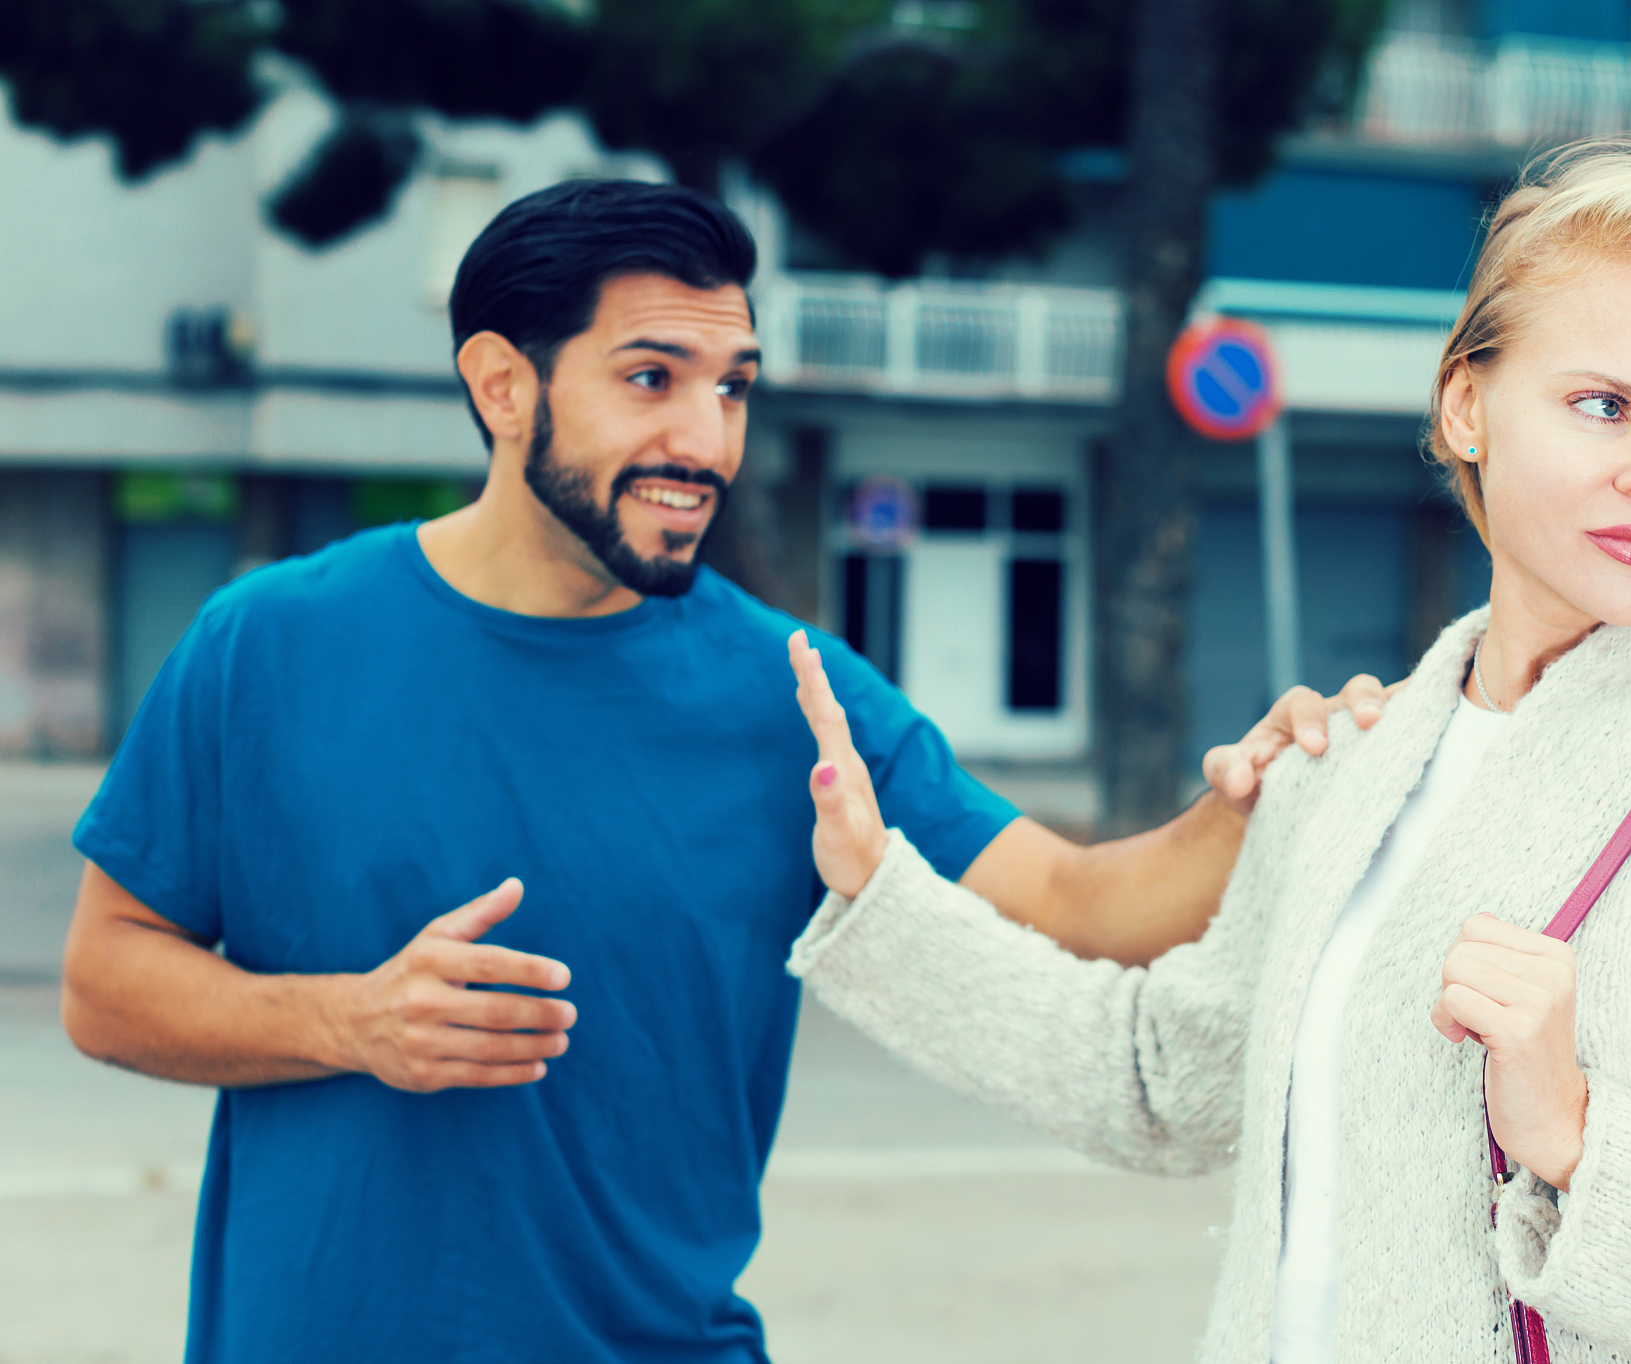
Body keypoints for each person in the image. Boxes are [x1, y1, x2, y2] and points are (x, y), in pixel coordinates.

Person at [58, 178, 1388, 1363]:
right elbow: (106, 983)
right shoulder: (270, 643)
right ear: (504, 384)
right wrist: (346, 1023)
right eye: (652, 379)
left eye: (734, 384)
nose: (708, 439)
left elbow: (1089, 903)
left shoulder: (787, 692)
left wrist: (1255, 805)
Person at [785, 143, 1631, 1363]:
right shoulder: (1361, 749)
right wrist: (880, 901)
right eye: (1601, 405)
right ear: (1466, 405)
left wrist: (1586, 1141)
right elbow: (1163, 1075)